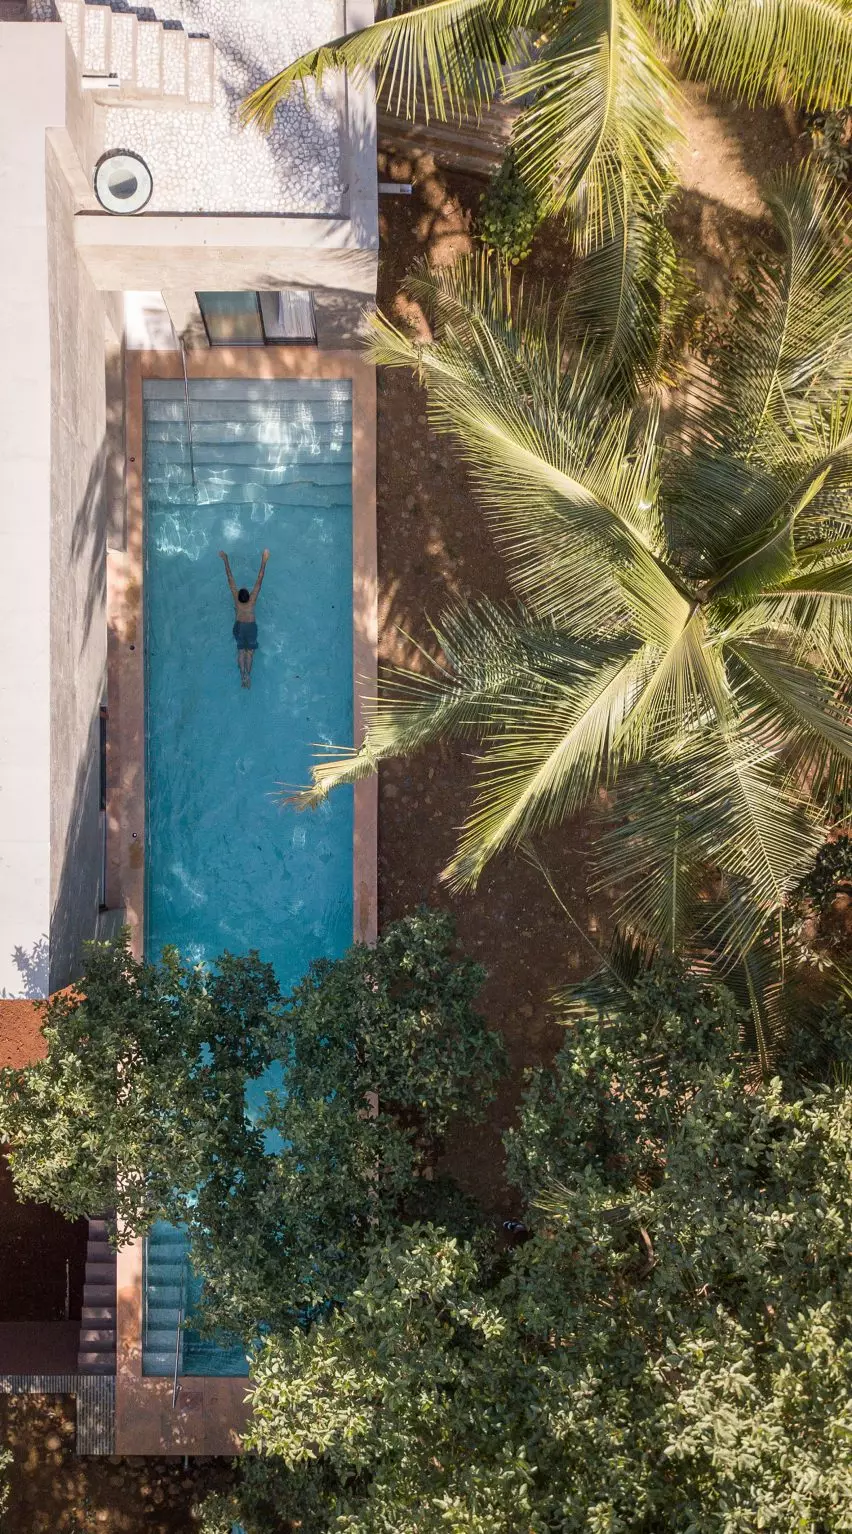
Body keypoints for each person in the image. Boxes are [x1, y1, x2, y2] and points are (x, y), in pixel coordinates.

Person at [219, 548, 270, 688]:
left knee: (241, 650)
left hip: (239, 627)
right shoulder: (252, 599)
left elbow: (229, 578)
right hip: (251, 628)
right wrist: (264, 560)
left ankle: (242, 674)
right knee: (250, 652)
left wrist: (225, 560)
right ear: (248, 596)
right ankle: (248, 674)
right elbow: (260, 579)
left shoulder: (236, 598)